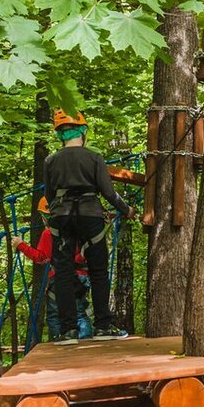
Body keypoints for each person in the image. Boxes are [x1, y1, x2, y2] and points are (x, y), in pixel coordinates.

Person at [44, 110, 135, 345]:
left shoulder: (51, 161)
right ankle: (103, 326)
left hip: (61, 217)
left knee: (63, 271)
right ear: (84, 132)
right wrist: (126, 210)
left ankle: (68, 331)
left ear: (60, 135)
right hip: (89, 214)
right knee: (98, 270)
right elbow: (107, 192)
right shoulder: (94, 158)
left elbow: (49, 195)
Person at [12, 196, 93, 341]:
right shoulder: (77, 229)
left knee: (55, 314)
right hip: (82, 276)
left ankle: (59, 339)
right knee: (80, 311)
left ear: (45, 217)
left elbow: (41, 257)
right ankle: (86, 340)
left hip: (61, 278)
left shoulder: (48, 233)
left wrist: (21, 245)